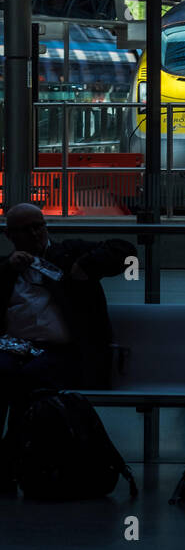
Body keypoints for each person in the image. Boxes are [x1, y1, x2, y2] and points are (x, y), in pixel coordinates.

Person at [0, 203, 135, 490]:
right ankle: (13, 460)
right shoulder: (7, 268)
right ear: (10, 235)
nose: (36, 233)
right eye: (26, 229)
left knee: (27, 380)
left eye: (40, 225)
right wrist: (7, 268)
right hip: (15, 348)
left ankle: (9, 460)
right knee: (7, 373)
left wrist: (84, 266)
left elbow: (126, 250)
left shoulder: (68, 253)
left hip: (65, 353)